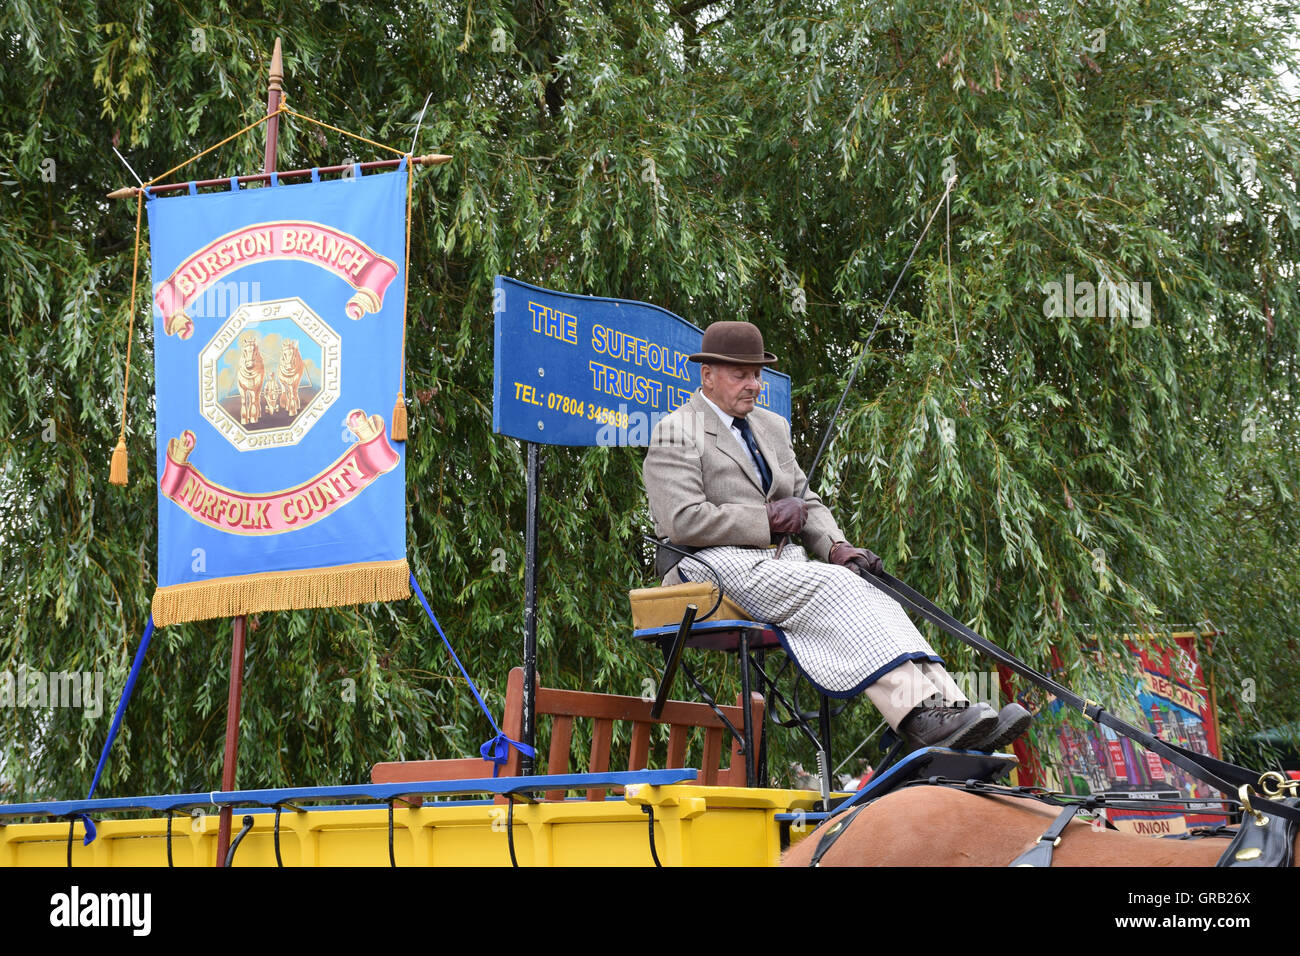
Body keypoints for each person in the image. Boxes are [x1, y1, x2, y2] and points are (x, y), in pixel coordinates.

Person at [642, 320, 1031, 752]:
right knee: (835, 586)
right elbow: (682, 520)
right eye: (741, 375)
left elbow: (806, 501)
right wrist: (766, 517)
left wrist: (836, 547)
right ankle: (916, 718)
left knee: (868, 586)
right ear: (708, 375)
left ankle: (952, 710)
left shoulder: (771, 426)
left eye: (757, 374)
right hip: (705, 564)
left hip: (772, 563)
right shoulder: (676, 430)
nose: (753, 384)